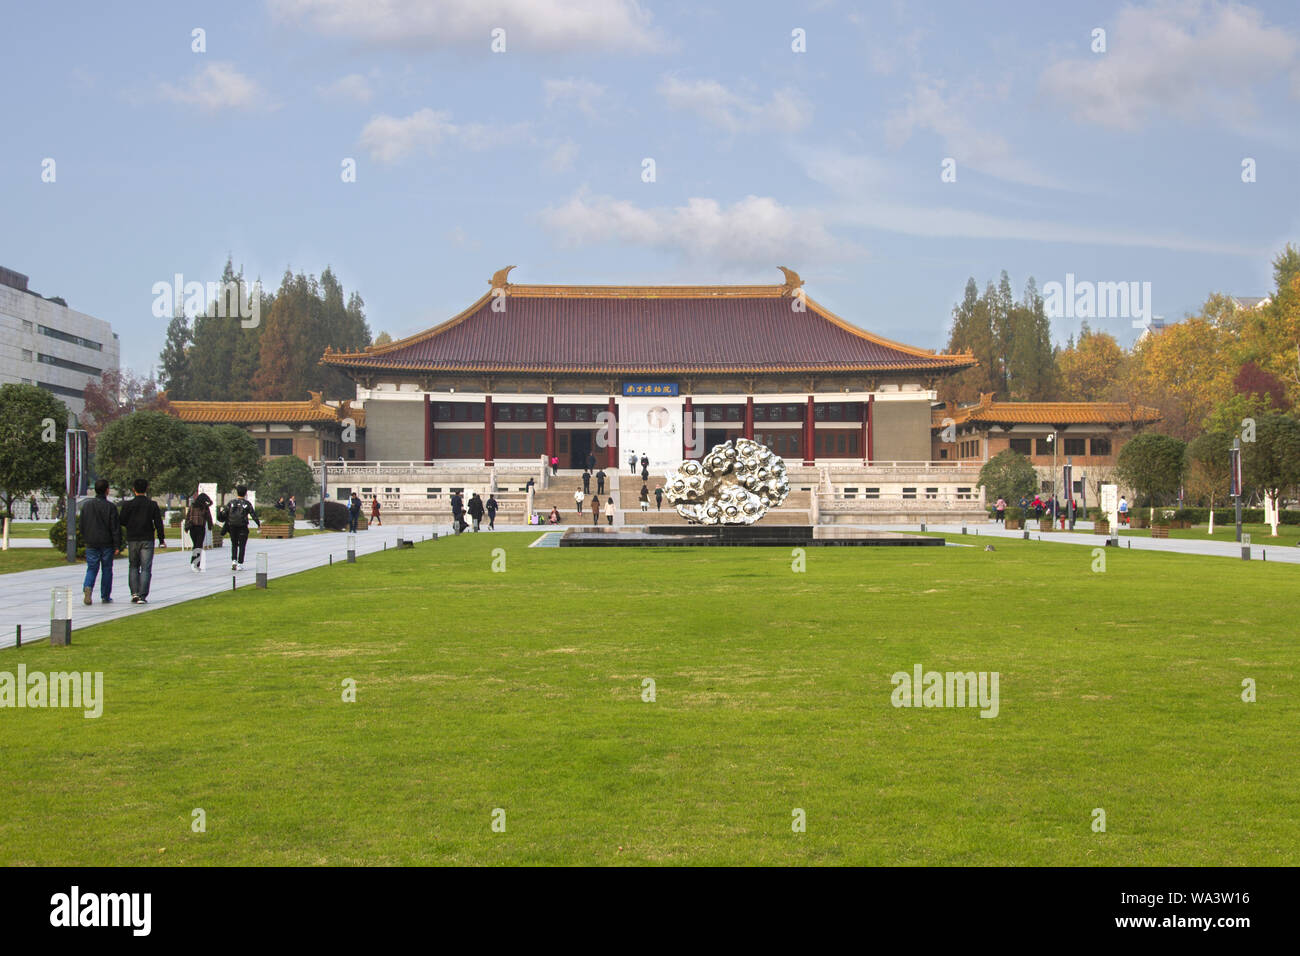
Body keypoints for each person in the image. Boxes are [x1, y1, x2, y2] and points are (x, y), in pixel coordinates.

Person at [119, 478, 167, 605]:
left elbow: (122, 520)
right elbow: (158, 523)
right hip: (147, 539)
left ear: (133, 489)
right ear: (147, 489)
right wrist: (161, 539)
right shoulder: (152, 505)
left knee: (133, 566)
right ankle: (142, 595)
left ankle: (134, 592)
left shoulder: (128, 505)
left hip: (133, 538)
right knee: (146, 568)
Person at [79, 478, 122, 605]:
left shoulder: (86, 505)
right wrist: (117, 544)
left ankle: (88, 587)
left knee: (92, 568)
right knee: (107, 569)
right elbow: (115, 527)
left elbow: (82, 524)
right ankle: (105, 595)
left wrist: (86, 537)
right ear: (107, 490)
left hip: (91, 542)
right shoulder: (110, 507)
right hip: (106, 543)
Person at [220, 485, 260, 571]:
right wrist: (258, 524)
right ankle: (240, 563)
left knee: (234, 544)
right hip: (243, 526)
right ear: (245, 493)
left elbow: (224, 513)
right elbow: (253, 515)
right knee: (242, 545)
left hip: (232, 526)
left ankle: (234, 560)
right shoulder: (247, 504)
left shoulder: (231, 503)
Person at [186, 490, 214, 571]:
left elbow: (188, 516)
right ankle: (195, 563)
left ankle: (194, 562)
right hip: (200, 528)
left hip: (192, 528)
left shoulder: (192, 506)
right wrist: (210, 526)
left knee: (196, 545)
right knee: (198, 546)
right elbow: (209, 517)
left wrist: (186, 527)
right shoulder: (205, 507)